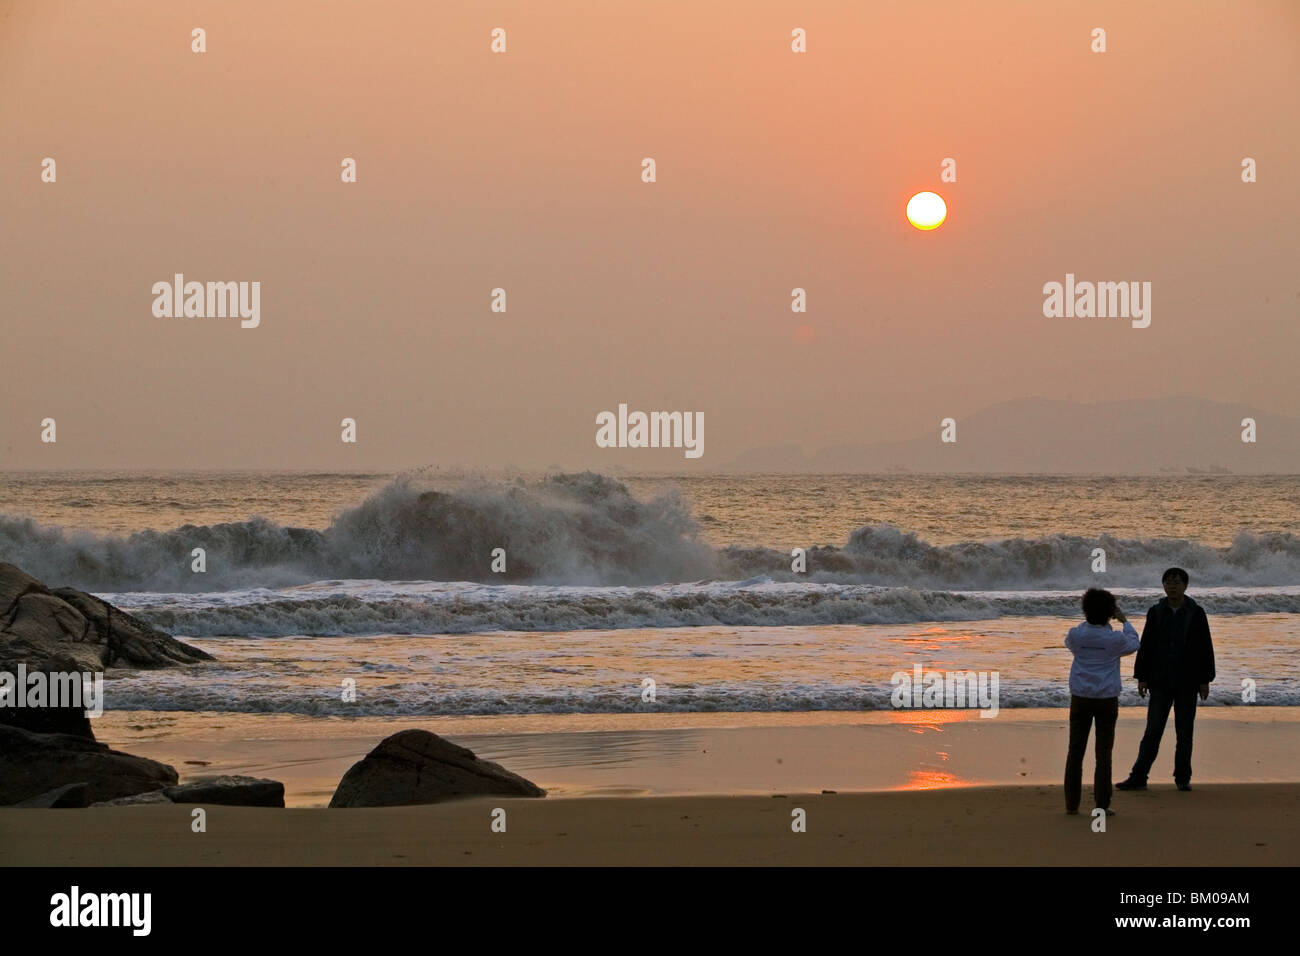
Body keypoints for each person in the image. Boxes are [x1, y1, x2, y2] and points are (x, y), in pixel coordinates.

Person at [1116, 567, 1215, 792]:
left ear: (1185, 586)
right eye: (1168, 582)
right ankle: (1139, 777)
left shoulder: (1195, 612)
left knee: (1184, 732)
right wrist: (1141, 676)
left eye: (1177, 582)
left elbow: (1204, 647)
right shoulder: (1156, 611)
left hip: (1188, 682)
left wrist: (1205, 679)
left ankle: (1183, 778)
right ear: (1163, 585)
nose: (1172, 586)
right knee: (1153, 731)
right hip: (1160, 680)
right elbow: (1147, 644)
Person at [1064, 588, 1140, 815]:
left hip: (1080, 698)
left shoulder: (1077, 635)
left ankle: (1072, 804)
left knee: (1075, 751)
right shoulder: (1114, 639)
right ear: (1110, 613)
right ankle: (1102, 804)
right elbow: (1134, 643)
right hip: (1106, 698)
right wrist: (1124, 621)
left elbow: (1070, 642)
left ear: (1085, 610)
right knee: (1103, 753)